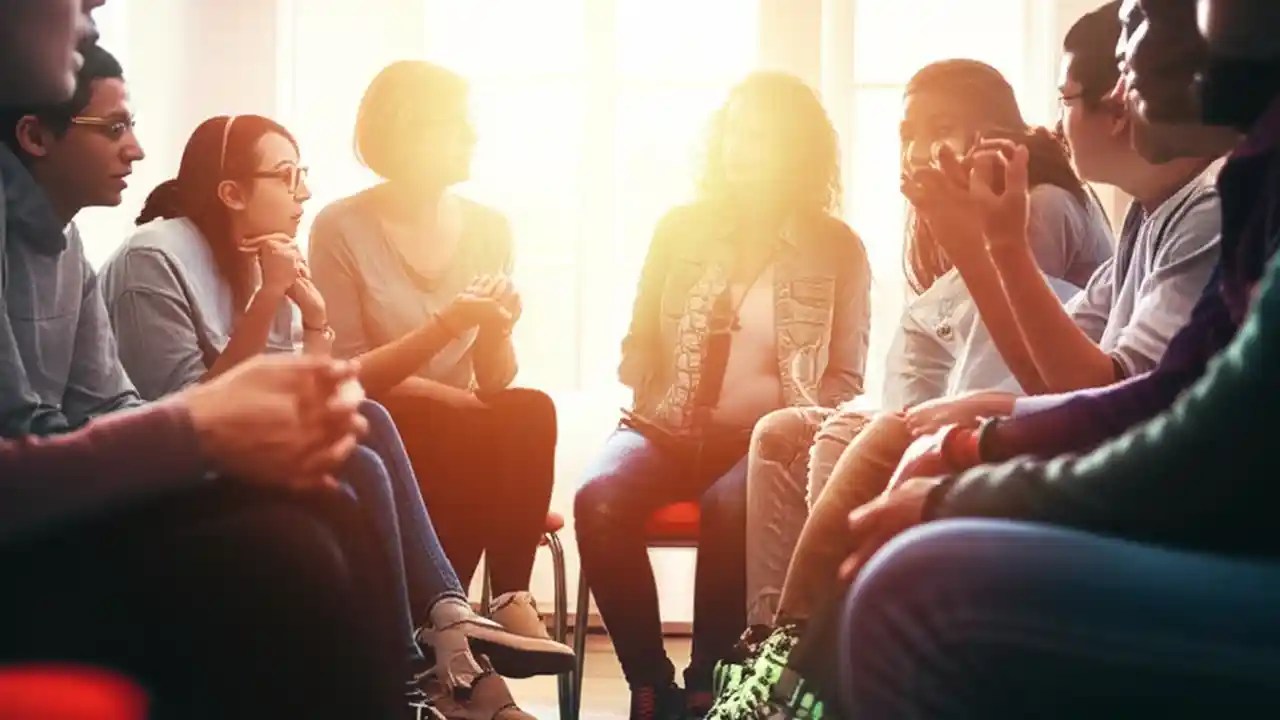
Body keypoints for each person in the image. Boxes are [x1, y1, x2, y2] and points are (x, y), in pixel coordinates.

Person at [835, 0, 1280, 715]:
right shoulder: (1223, 190)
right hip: (1235, 521)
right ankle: (785, 668)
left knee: (916, 587)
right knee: (910, 464)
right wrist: (983, 432)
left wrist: (974, 465)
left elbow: (1182, 429)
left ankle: (785, 677)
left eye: (1151, 7)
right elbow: (1158, 392)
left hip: (1248, 544)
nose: (1129, 36)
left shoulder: (1210, 205)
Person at [0, 5, 401, 717]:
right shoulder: (158, 254)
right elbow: (50, 432)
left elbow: (113, 406)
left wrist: (295, 337)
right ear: (34, 135)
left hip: (61, 505)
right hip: (32, 535)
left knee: (329, 504)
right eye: (114, 129)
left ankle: (415, 672)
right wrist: (202, 432)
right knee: (282, 548)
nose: (138, 151)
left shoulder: (70, 255)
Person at [98, 111, 559, 716]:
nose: (304, 193)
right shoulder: (153, 255)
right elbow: (187, 411)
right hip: (177, 471)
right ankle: (426, 661)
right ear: (232, 193)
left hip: (258, 452)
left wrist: (312, 317)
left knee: (378, 421)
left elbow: (316, 391)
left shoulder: (268, 257)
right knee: (370, 453)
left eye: (303, 174)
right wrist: (271, 297)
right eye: (286, 177)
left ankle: (443, 635)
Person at [740, 58, 1113, 643]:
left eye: (939, 129)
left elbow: (1006, 361)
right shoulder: (956, 209)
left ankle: (818, 634)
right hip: (949, 389)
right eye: (907, 134)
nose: (917, 149)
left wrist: (969, 236)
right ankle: (767, 635)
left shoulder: (1033, 209)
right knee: (780, 433)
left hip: (994, 401)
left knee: (838, 436)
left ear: (994, 133)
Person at [575, 72, 872, 719]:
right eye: (733, 130)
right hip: (662, 428)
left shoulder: (838, 249)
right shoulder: (679, 229)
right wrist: (667, 378)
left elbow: (845, 380)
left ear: (797, 151)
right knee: (597, 499)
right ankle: (650, 685)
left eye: (760, 135)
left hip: (761, 447)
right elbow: (635, 344)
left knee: (730, 510)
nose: (740, 147)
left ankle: (711, 679)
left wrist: (785, 426)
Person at [309, 61, 566, 659]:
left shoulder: (490, 227)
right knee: (482, 436)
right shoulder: (340, 225)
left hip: (466, 428)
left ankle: (506, 603)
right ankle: (450, 640)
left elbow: (497, 377)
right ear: (408, 133)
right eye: (457, 126)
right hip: (385, 427)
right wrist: (452, 329)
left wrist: (498, 328)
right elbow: (349, 373)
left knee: (530, 409)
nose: (472, 138)